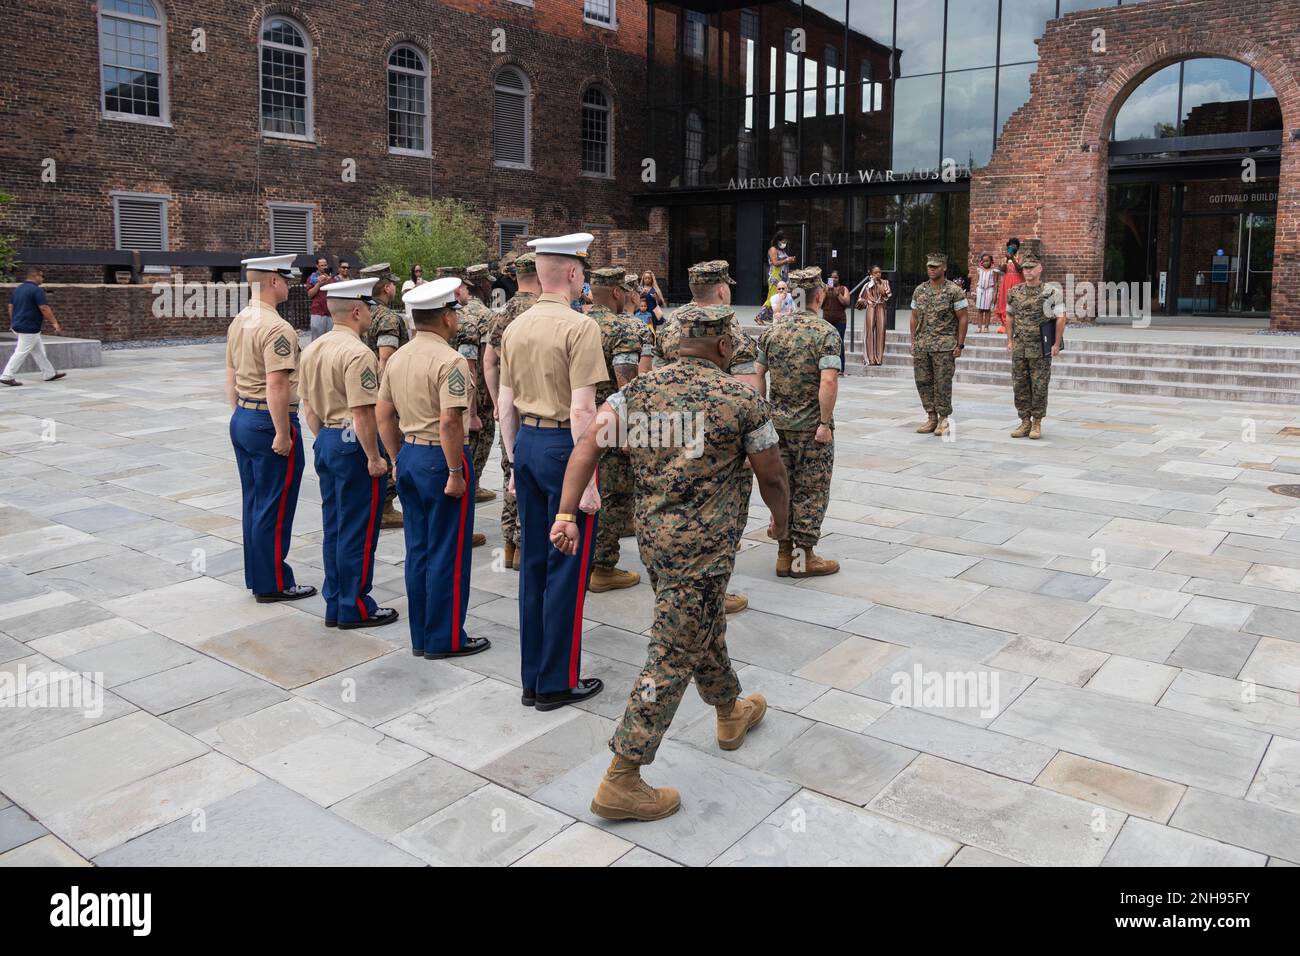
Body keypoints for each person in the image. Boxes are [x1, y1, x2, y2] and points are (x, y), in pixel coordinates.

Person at [550, 304, 790, 821]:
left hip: (656, 547)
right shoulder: (742, 400)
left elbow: (588, 444)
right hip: (704, 553)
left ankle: (730, 711)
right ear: (725, 347)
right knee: (671, 653)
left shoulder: (636, 393)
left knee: (699, 626)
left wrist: (567, 511)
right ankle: (623, 776)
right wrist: (783, 524)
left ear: (678, 343)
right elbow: (771, 476)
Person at [497, 233, 607, 712]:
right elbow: (583, 410)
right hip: (565, 447)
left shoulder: (514, 328)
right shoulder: (581, 327)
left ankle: (532, 677)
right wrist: (589, 482)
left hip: (528, 446)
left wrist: (512, 461)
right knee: (567, 570)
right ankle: (557, 681)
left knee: (535, 570)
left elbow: (505, 405)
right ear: (574, 273)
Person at [377, 277, 489, 660]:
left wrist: (395, 458)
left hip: (409, 455)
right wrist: (455, 472)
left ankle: (422, 635)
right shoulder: (450, 360)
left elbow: (383, 414)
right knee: (449, 551)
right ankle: (445, 638)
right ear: (445, 317)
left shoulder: (398, 358)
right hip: (441, 461)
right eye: (453, 313)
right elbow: (450, 422)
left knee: (419, 549)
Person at [654, 259, 759, 615]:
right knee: (721, 514)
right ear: (722, 289)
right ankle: (712, 590)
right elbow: (748, 385)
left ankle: (671, 582)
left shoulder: (670, 325)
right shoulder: (731, 328)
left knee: (673, 506)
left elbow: (651, 376)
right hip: (717, 441)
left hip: (669, 433)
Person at [298, 277, 398, 630]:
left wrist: (325, 436)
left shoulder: (313, 348)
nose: (371, 312)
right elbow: (362, 413)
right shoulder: (358, 353)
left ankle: (336, 601)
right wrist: (373, 457)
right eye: (367, 306)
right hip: (353, 442)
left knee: (335, 526)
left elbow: (308, 405)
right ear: (357, 310)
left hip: (327, 436)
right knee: (358, 529)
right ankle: (354, 605)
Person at [225, 254, 315, 604]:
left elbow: (231, 372)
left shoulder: (242, 319)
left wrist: (240, 412)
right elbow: (277, 383)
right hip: (269, 420)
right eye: (286, 279)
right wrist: (281, 432)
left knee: (255, 502)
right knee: (274, 506)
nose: (289, 285)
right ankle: (273, 582)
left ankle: (259, 575)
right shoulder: (277, 328)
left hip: (246, 417)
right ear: (274, 281)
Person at [756, 266, 841, 579]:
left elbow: (757, 376)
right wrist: (824, 423)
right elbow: (828, 382)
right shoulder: (825, 333)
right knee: (811, 489)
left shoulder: (772, 332)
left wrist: (764, 414)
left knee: (784, 485)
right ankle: (802, 558)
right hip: (810, 429)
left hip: (777, 426)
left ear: (792, 296)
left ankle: (783, 553)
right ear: (818, 295)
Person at [585, 266, 645, 593]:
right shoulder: (622, 329)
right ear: (619, 293)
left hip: (573, 421)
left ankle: (581, 558)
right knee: (612, 495)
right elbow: (627, 386)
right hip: (608, 424)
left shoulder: (575, 322)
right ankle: (602, 568)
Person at [484, 252, 539, 572]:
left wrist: (496, 403)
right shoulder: (542, 310)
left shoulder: (502, 313)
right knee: (531, 477)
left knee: (511, 471)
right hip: (537, 407)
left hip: (509, 406)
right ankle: (526, 543)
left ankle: (508, 544)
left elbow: (489, 363)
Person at [359, 264, 409, 530]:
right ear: (387, 286)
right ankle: (386, 507)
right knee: (389, 445)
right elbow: (386, 358)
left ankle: (377, 503)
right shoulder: (387, 317)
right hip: (381, 393)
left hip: (360, 391)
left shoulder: (359, 312)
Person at [451, 265, 497, 530]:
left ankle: (472, 486)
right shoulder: (482, 316)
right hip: (476, 398)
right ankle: (462, 519)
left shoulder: (454, 313)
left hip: (452, 394)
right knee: (474, 451)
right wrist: (473, 412)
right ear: (482, 286)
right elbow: (469, 363)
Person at [1006, 251, 1066, 440]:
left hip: (1041, 347)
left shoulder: (1051, 292)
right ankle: (1025, 421)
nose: (1028, 271)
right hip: (1020, 347)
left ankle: (1037, 422)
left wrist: (1056, 343)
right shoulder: (1014, 292)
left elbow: (1060, 317)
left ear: (1040, 269)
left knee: (1039, 386)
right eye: (1025, 268)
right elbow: (1009, 316)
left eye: (1032, 268)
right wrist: (1009, 340)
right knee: (1020, 385)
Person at [909, 252, 969, 438]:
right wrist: (913, 341)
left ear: (944, 268)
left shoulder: (954, 291)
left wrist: (960, 344)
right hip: (923, 345)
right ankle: (931, 417)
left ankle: (944, 419)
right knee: (923, 382)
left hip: (944, 346)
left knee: (942, 384)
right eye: (929, 266)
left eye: (935, 266)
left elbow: (963, 318)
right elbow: (914, 316)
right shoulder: (920, 290)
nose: (932, 269)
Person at [2, 266, 67, 386]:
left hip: (19, 325)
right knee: (21, 351)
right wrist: (54, 323)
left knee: (38, 351)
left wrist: (13, 321)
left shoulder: (18, 289)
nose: (43, 279)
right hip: (29, 326)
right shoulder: (36, 290)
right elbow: (44, 307)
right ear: (36, 276)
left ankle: (49, 373)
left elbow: (10, 306)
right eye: (42, 276)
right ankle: (7, 375)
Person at [856, 265, 891, 366]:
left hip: (880, 308)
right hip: (870, 309)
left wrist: (877, 283)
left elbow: (886, 294)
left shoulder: (885, 283)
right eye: (875, 272)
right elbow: (860, 298)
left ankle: (878, 359)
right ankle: (869, 359)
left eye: (879, 272)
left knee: (880, 333)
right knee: (869, 333)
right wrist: (865, 301)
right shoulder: (867, 285)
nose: (878, 274)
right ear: (871, 274)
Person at [822, 269, 851, 373]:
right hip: (827, 320)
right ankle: (827, 366)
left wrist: (837, 293)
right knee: (826, 343)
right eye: (832, 277)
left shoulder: (843, 289)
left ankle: (841, 368)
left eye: (836, 277)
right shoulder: (824, 289)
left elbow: (846, 303)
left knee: (839, 342)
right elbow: (819, 303)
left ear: (839, 279)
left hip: (840, 320)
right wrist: (826, 291)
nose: (834, 279)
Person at [995, 238, 1023, 335]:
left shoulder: (1020, 257)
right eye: (1011, 245)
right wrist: (1007, 259)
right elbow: (1002, 270)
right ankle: (1005, 325)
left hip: (1017, 282)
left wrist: (1013, 259)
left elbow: (1020, 269)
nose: (1013, 246)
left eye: (1015, 245)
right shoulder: (1004, 258)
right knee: (1004, 303)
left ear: (1018, 247)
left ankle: (1016, 326)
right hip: (1006, 283)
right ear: (1008, 247)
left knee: (1016, 303)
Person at [306, 256, 337, 342]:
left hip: (331, 312)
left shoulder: (332, 278)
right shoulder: (312, 278)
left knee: (330, 340)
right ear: (317, 266)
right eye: (322, 265)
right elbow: (310, 294)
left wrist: (329, 280)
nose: (324, 267)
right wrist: (319, 283)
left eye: (325, 265)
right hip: (318, 312)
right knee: (317, 340)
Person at [766, 231, 797, 305]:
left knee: (783, 299)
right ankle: (764, 315)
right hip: (776, 278)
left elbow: (784, 262)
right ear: (778, 240)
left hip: (784, 278)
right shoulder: (773, 249)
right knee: (773, 299)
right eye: (783, 241)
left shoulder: (782, 251)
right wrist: (786, 260)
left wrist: (791, 260)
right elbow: (775, 263)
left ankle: (780, 315)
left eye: (786, 241)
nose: (785, 243)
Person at [975, 253, 999, 333]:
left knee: (987, 310)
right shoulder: (979, 270)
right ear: (981, 262)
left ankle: (986, 327)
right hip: (980, 290)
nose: (985, 263)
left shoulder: (994, 271)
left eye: (987, 261)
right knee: (980, 309)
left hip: (989, 291)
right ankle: (979, 327)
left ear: (991, 261)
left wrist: (995, 295)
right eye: (984, 261)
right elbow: (977, 281)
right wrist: (975, 292)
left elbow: (996, 283)